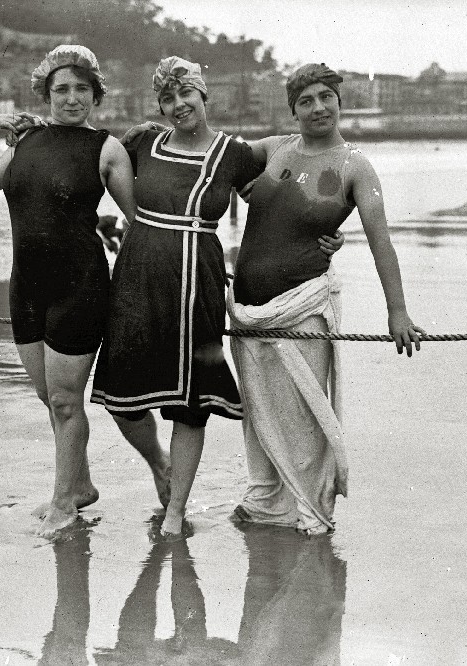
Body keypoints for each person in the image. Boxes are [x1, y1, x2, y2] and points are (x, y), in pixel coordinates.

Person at [91, 57, 344, 537]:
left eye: (187, 93)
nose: (178, 104)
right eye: (168, 97)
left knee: (191, 403)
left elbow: (291, 188)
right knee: (122, 397)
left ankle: (175, 510)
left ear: (204, 96)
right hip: (138, 277)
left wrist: (328, 231)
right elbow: (89, 159)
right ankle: (159, 464)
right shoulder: (142, 141)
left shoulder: (234, 154)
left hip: (198, 283)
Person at [227, 63, 425, 535]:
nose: (317, 107)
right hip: (247, 312)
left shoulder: (355, 165)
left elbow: (382, 241)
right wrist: (159, 132)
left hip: (304, 310)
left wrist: (398, 312)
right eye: (306, 100)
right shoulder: (274, 150)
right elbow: (218, 156)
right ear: (292, 110)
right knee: (259, 414)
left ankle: (308, 513)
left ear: (340, 101)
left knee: (304, 414)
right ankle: (267, 503)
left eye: (325, 97)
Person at [0, 45, 137, 539]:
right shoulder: (24, 143)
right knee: (51, 398)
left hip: (79, 287)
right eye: (62, 89)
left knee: (66, 402)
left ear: (96, 95)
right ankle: (81, 484)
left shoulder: (106, 149)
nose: (72, 98)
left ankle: (64, 502)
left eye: (81, 90)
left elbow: (141, 218)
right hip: (25, 288)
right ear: (46, 93)